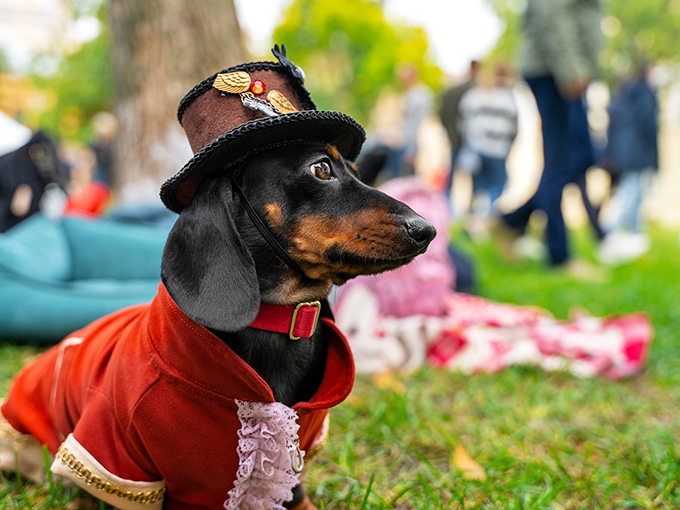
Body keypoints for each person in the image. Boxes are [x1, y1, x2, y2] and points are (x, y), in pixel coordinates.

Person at [491, 0, 604, 276]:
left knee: (578, 158)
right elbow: (551, 13)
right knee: (561, 160)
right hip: (555, 70)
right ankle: (560, 257)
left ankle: (512, 220)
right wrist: (571, 70)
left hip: (564, 69)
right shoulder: (562, 69)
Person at [598, 61, 658, 264]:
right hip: (639, 150)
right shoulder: (644, 93)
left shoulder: (622, 95)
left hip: (623, 152)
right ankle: (610, 228)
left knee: (631, 189)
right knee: (634, 191)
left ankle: (635, 232)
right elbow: (648, 123)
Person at [457, 63, 518, 219]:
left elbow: (464, 122)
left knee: (479, 186)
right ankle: (486, 217)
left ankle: (473, 217)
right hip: (498, 149)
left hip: (477, 147)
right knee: (497, 185)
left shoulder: (474, 96)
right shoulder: (508, 99)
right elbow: (514, 128)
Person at [439, 60, 480, 209]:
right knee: (475, 177)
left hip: (456, 138)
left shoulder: (455, 90)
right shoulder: (475, 90)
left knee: (453, 175)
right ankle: (470, 209)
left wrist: (450, 133)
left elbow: (443, 113)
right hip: (469, 140)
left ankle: (447, 206)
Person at [383, 63, 434, 179]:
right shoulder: (413, 94)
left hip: (411, 144)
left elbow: (417, 124)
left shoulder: (419, 96)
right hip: (405, 143)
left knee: (404, 179)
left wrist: (412, 149)